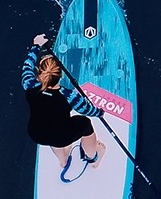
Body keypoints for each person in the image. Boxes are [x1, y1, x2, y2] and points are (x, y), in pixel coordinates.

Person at [21, 34, 104, 182]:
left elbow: (27, 66)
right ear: (60, 76)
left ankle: (63, 159)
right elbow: (87, 110)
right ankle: (93, 157)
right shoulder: (68, 95)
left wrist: (36, 45)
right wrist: (99, 112)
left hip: (38, 133)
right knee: (84, 123)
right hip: (62, 135)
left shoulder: (29, 85)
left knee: (51, 132)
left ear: (39, 74)